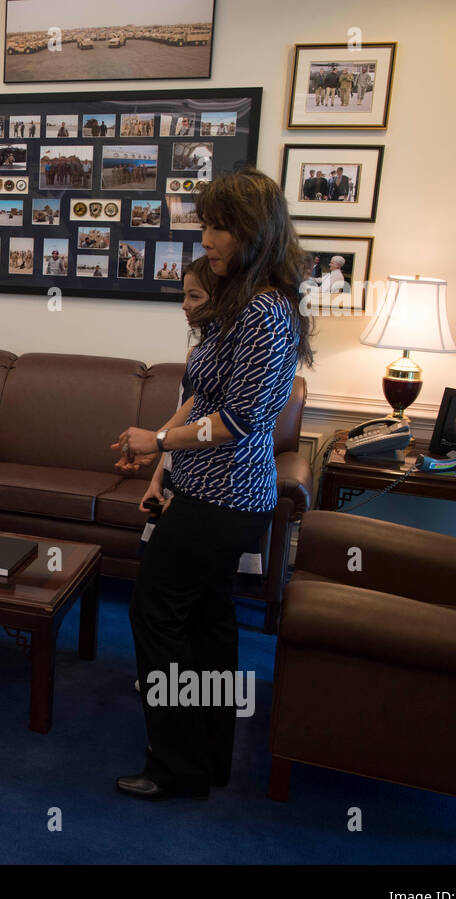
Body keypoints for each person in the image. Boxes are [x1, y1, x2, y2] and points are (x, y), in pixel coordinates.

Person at [111, 168, 315, 800]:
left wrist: (161, 443)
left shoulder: (264, 310)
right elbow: (202, 391)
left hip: (227, 497)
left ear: (252, 232)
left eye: (217, 226)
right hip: (202, 490)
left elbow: (239, 420)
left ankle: (173, 762)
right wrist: (161, 455)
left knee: (155, 612)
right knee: (209, 619)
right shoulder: (240, 298)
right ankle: (206, 758)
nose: (206, 238)